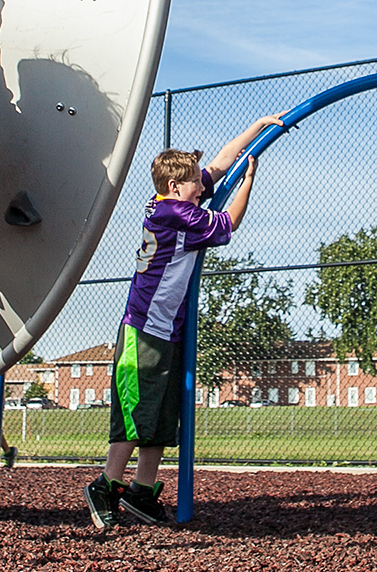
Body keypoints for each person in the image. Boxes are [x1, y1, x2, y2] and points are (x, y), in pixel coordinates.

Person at [86, 116, 280, 529]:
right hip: (145, 329)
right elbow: (229, 223)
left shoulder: (177, 201)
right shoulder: (178, 215)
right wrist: (249, 181)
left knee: (162, 416)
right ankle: (106, 484)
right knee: (136, 414)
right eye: (195, 180)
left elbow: (222, 162)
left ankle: (141, 488)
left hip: (166, 329)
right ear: (176, 187)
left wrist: (258, 127)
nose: (202, 183)